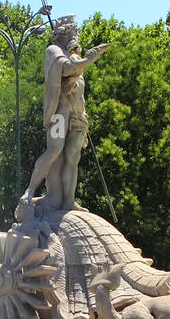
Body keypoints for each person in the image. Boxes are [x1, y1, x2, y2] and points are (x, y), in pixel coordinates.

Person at [16, 16, 109, 221]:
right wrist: (89, 59)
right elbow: (66, 69)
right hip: (59, 111)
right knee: (55, 149)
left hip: (78, 113)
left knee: (73, 156)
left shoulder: (73, 56)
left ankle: (68, 201)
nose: (76, 36)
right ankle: (29, 192)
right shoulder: (53, 51)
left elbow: (75, 71)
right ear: (64, 34)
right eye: (73, 33)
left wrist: (82, 60)